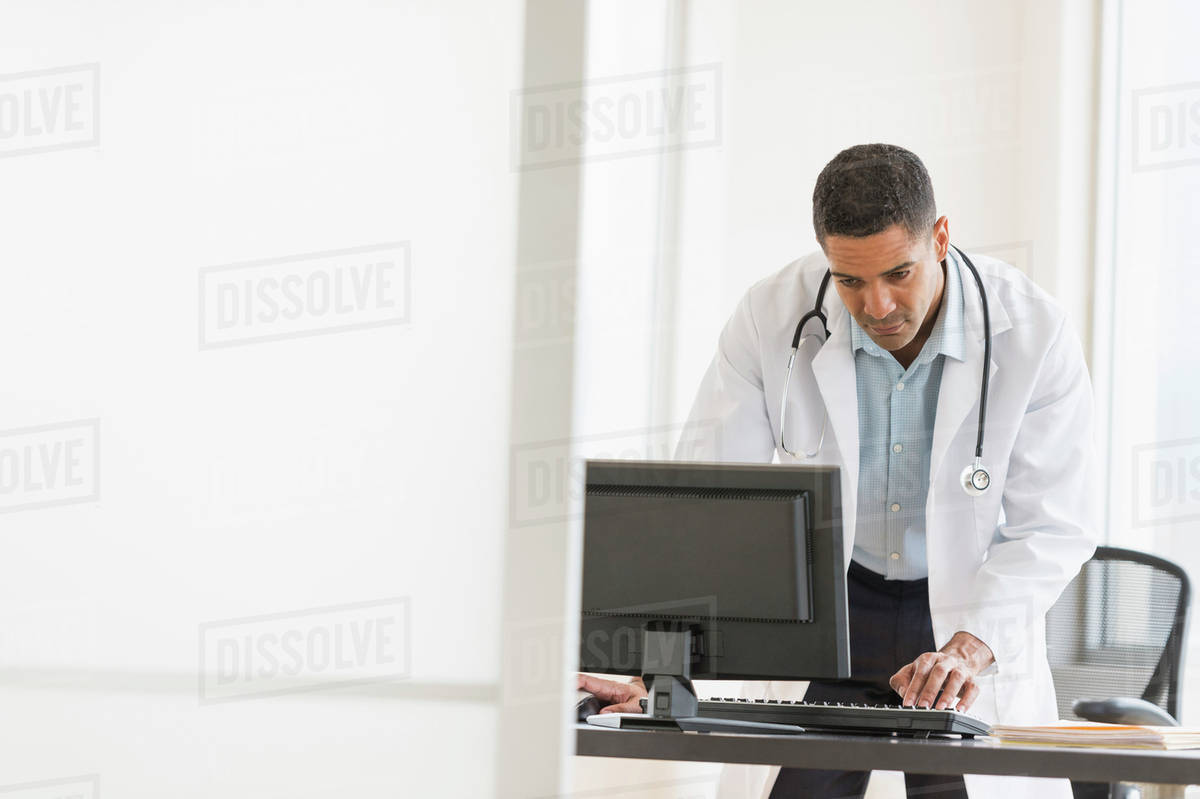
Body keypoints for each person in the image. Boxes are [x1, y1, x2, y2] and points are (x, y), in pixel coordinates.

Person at [578, 143, 1098, 799]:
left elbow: (1054, 526)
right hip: (832, 613)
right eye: (849, 280)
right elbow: (705, 501)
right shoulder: (772, 316)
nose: (877, 305)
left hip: (966, 612)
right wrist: (658, 669)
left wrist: (970, 646)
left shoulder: (1033, 331)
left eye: (898, 273)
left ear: (940, 237)